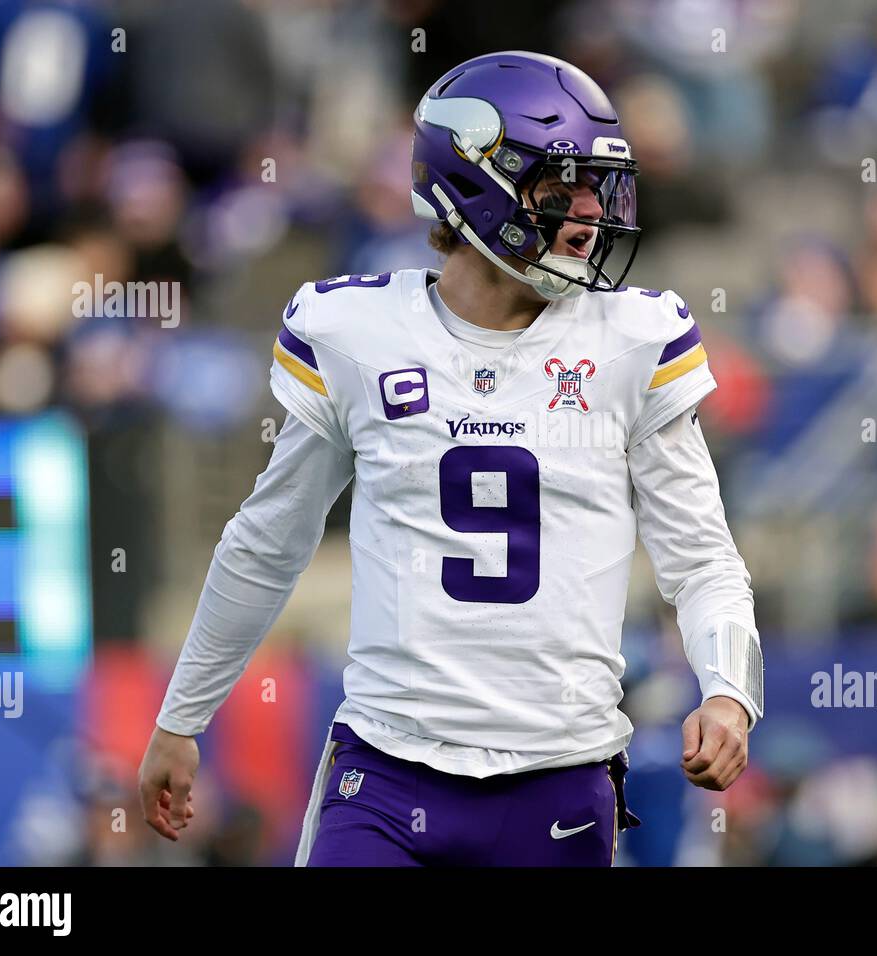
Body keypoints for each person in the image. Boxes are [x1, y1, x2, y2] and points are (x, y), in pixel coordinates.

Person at [138, 51, 763, 867]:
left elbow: (702, 558)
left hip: (558, 779)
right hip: (388, 774)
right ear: (474, 183)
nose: (587, 215)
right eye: (559, 187)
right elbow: (267, 543)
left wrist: (729, 692)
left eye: (597, 188)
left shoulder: (633, 342)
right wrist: (182, 717)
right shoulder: (359, 333)